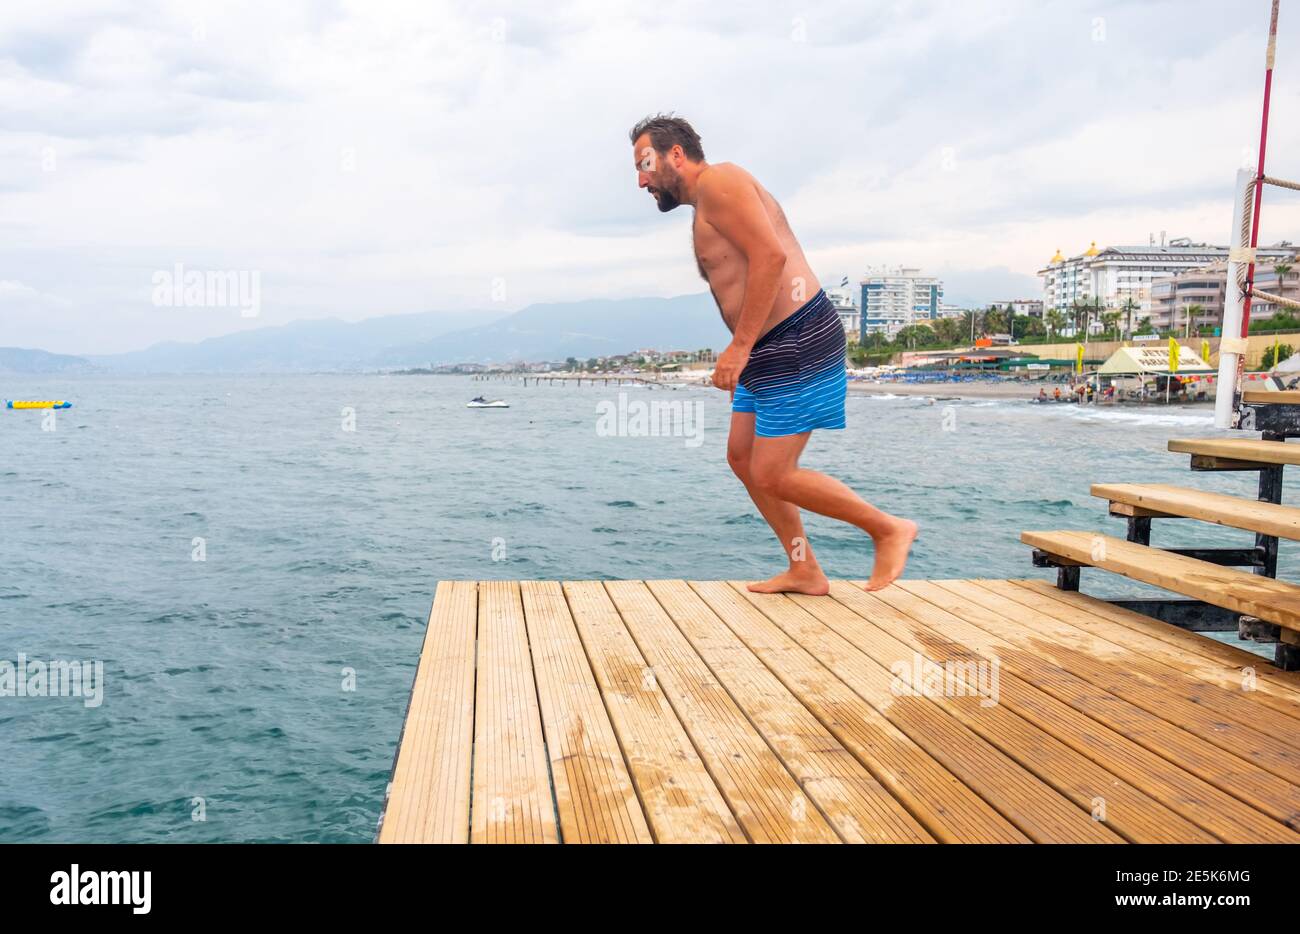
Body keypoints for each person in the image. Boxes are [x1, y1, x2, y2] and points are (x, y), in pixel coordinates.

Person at [630, 114, 917, 594]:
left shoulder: (721, 181)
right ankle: (804, 567)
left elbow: (770, 257)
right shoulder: (708, 202)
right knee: (742, 458)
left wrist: (739, 348)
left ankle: (888, 528)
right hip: (765, 346)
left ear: (676, 154)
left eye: (645, 164)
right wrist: (746, 349)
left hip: (795, 336)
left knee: (773, 471)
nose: (641, 180)